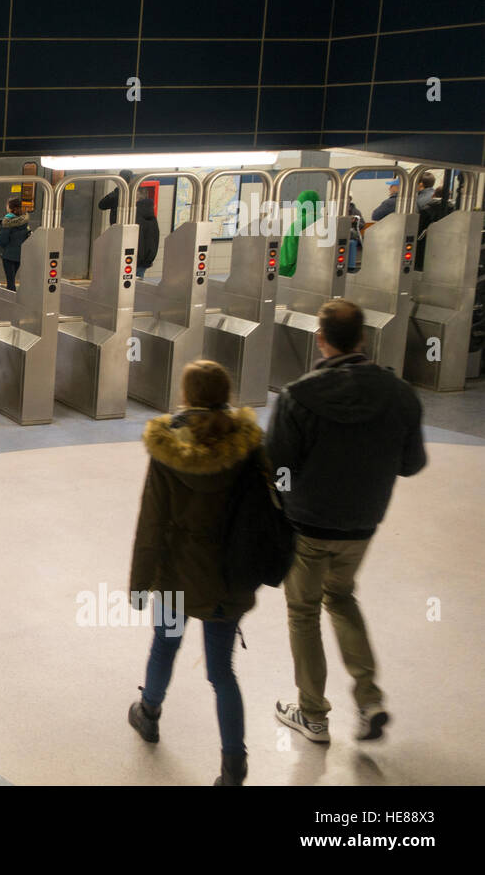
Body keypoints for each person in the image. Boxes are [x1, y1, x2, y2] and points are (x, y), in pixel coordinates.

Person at [266, 299, 427, 745]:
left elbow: (276, 466)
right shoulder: (400, 394)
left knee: (303, 612)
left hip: (308, 525)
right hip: (362, 525)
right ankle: (369, 698)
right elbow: (411, 464)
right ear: (362, 338)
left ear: (320, 338)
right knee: (341, 598)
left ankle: (313, 715)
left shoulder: (299, 395)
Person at [128, 359, 265, 786]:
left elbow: (151, 522)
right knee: (222, 672)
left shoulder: (168, 449)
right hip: (229, 575)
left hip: (176, 578)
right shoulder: (248, 447)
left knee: (165, 646)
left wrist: (139, 583)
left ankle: (148, 712)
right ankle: (233, 764)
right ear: (226, 394)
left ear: (186, 395)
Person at [0, 197, 30, 290]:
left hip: (8, 255)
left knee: (10, 281)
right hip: (19, 255)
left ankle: (11, 299)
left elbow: (2, 241)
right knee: (12, 277)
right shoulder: (24, 221)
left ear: (11, 208)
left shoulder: (7, 222)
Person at [135, 197, 159, 280]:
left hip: (136, 260)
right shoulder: (153, 221)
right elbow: (155, 241)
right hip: (146, 260)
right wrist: (149, 259)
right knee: (139, 283)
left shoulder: (138, 221)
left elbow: (139, 242)